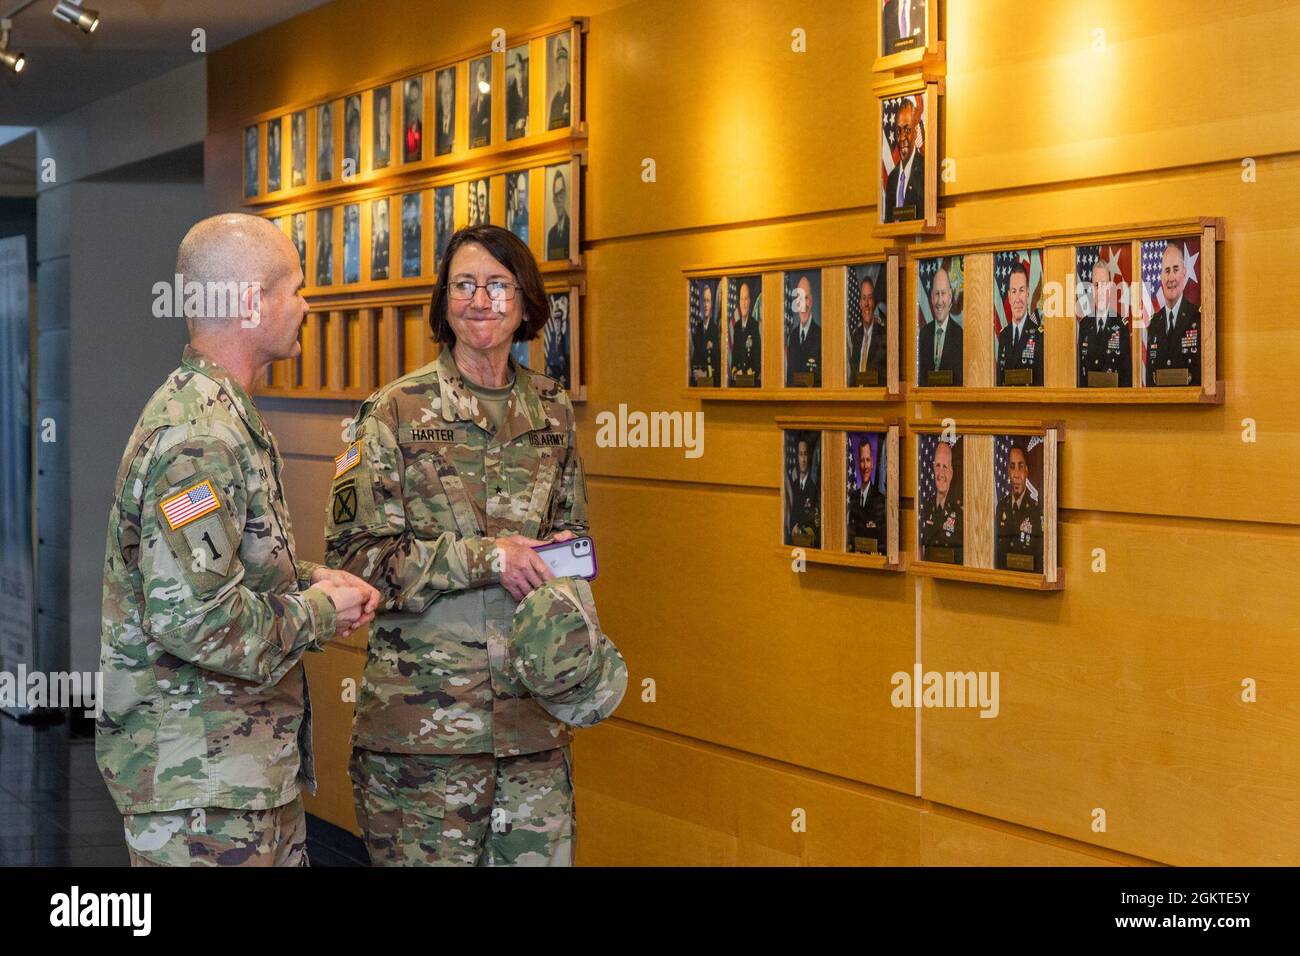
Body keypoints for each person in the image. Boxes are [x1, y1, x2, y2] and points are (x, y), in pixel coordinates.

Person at [97, 213, 379, 867]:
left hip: (242, 778)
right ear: (252, 302)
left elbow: (218, 565)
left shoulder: (224, 418)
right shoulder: (197, 437)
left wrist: (312, 581)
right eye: (297, 289)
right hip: (201, 792)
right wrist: (319, 614)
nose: (306, 307)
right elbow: (195, 617)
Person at [325, 224, 598, 866]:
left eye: (499, 286)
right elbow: (355, 556)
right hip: (424, 738)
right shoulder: (393, 411)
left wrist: (566, 558)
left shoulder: (553, 411)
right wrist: (488, 557)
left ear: (527, 303)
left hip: (533, 725)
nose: (481, 300)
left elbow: (573, 537)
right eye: (465, 285)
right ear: (444, 303)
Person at [1145, 242, 1201, 386]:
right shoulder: (1155, 323)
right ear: (1161, 277)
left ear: (1184, 272)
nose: (1171, 278)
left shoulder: (1198, 319)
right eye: (1167, 271)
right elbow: (1151, 381)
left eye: (1175, 270)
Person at [1078, 259, 1131, 386]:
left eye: (1104, 285)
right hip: (1089, 400)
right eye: (1096, 285)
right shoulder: (1084, 325)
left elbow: (1127, 374)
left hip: (1114, 401)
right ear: (1091, 288)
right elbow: (1080, 373)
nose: (1100, 291)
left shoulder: (1121, 325)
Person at [995, 442, 1043, 572]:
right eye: (1012, 467)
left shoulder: (1037, 509)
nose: (1016, 474)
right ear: (1008, 472)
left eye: (1020, 466)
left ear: (1026, 471)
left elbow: (1040, 556)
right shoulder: (1001, 507)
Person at [996, 261, 1043, 386]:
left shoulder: (1039, 336)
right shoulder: (1003, 336)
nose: (1018, 299)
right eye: (1014, 291)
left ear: (1028, 293)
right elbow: (999, 382)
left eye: (1021, 290)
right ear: (1009, 297)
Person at [918, 266, 961, 385]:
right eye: (936, 294)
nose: (939, 301)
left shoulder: (961, 336)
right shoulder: (923, 335)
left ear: (950, 297)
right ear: (931, 298)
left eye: (943, 293)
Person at [920, 440, 962, 563]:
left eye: (945, 467)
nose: (941, 473)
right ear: (933, 468)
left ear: (951, 472)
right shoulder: (926, 507)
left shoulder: (960, 511)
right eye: (938, 466)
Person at [884, 99, 924, 222]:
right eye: (898, 131)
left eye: (907, 130)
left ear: (916, 132)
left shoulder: (925, 172)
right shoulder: (892, 179)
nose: (902, 137)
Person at [847, 438, 886, 554]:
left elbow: (883, 543)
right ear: (858, 463)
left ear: (872, 463)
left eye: (868, 460)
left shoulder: (880, 500)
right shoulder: (853, 498)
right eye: (862, 460)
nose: (865, 466)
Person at [849, 275, 887, 385]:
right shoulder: (855, 337)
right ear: (860, 303)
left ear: (874, 302)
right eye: (864, 298)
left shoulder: (884, 336)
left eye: (870, 298)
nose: (867, 304)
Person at [785, 275, 821, 386]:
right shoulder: (792, 337)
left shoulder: (821, 335)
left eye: (806, 298)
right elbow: (790, 379)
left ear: (811, 300)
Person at [787, 436, 820, 548]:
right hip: (794, 544)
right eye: (800, 454)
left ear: (809, 456)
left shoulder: (813, 487)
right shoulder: (794, 486)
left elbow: (815, 523)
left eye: (805, 454)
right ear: (797, 457)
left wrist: (800, 530)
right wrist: (792, 528)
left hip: (808, 544)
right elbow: (791, 514)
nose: (803, 459)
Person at [728, 279, 760, 386]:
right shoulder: (736, 327)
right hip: (737, 381)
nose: (744, 303)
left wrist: (745, 373)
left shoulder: (755, 326)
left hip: (750, 382)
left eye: (746, 299)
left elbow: (757, 361)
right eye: (742, 299)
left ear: (750, 301)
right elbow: (734, 357)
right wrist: (736, 372)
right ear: (739, 302)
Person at [690, 282, 719, 386]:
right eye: (704, 301)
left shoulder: (715, 329)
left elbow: (717, 362)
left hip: (710, 382)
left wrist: (705, 372)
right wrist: (695, 371)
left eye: (708, 301)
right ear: (701, 303)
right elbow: (695, 357)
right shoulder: (697, 329)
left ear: (711, 304)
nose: (706, 304)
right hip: (698, 382)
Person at [547, 169, 570, 260]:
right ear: (553, 201)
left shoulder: (572, 229)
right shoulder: (551, 234)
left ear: (565, 196)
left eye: (561, 194)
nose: (559, 200)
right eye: (556, 196)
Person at [549, 38, 571, 129]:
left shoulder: (572, 94)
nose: (560, 70)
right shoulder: (554, 101)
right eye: (559, 66)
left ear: (566, 68)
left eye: (563, 65)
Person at [506, 51, 528, 139]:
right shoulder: (510, 92)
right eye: (518, 71)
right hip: (515, 133)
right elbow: (509, 117)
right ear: (515, 72)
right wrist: (516, 124)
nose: (520, 74)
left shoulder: (528, 88)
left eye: (522, 70)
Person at [470, 60, 491, 146]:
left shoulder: (492, 103)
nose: (482, 76)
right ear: (476, 78)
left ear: (487, 77)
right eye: (480, 74)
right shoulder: (473, 107)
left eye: (484, 73)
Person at [435, 68, 455, 155]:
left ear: (452, 95)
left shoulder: (457, 118)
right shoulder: (435, 121)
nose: (446, 99)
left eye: (448, 94)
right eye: (444, 94)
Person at [404, 80, 423, 162]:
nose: (413, 93)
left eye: (415, 91)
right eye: (412, 91)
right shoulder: (407, 109)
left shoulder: (421, 106)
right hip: (410, 145)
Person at [371, 198, 390, 280]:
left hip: (386, 269)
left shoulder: (388, 235)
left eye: (383, 219)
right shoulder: (377, 237)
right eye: (380, 219)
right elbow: (375, 253)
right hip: (378, 269)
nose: (381, 222)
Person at [508, 172, 529, 243]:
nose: (521, 197)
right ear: (515, 192)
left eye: (522, 192)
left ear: (525, 193)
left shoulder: (528, 218)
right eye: (519, 192)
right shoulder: (511, 216)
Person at [373, 87, 391, 168]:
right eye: (381, 113)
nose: (383, 119)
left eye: (385, 112)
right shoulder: (373, 139)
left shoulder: (392, 141)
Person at [266, 119, 281, 191]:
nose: (276, 137)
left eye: (277, 134)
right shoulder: (270, 150)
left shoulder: (282, 150)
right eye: (275, 134)